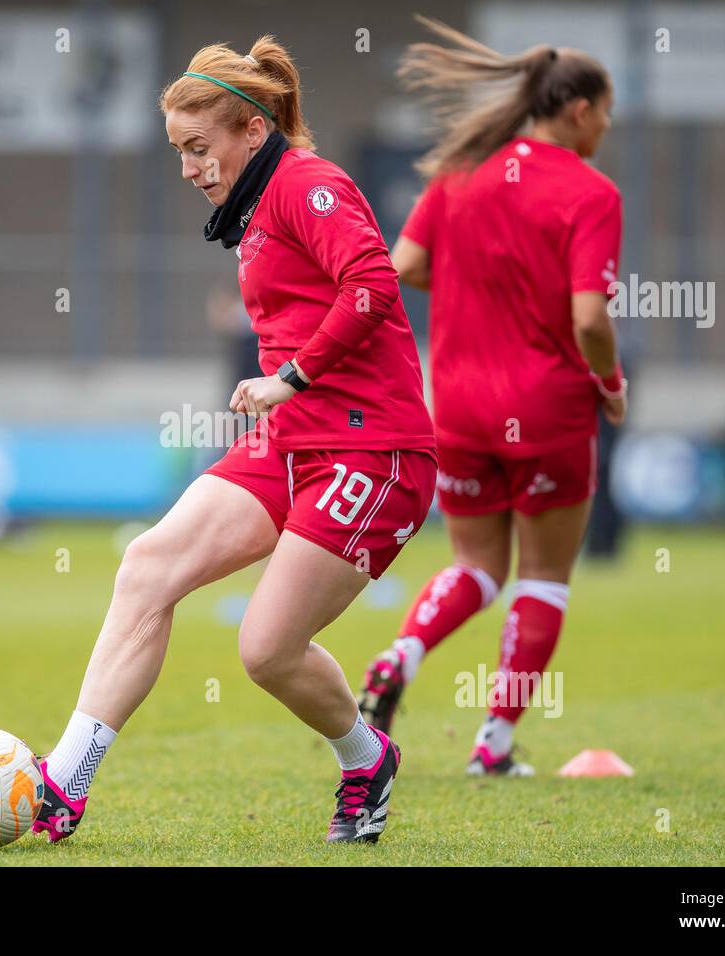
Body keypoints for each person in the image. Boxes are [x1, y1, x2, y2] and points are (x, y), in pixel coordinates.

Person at [29, 36, 437, 844]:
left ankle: (367, 758)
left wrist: (291, 376)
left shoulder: (308, 185)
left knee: (266, 650)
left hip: (373, 451)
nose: (188, 168)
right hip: (292, 443)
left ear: (252, 130)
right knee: (148, 565)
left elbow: (373, 283)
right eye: (178, 151)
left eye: (197, 147)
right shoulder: (255, 204)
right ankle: (62, 781)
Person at [357, 19, 625, 776]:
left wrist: (478, 282)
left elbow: (405, 265)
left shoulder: (461, 172)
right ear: (579, 110)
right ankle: (493, 745)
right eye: (606, 113)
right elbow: (589, 318)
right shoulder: (592, 193)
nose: (606, 128)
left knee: (475, 566)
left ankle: (402, 653)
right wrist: (610, 385)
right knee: (542, 578)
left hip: (459, 406)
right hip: (548, 410)